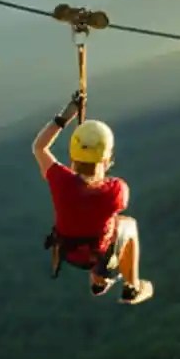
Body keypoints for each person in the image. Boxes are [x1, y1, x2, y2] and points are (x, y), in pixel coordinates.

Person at [32, 91, 154, 305]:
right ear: (107, 159)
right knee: (127, 225)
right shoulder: (116, 189)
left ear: (72, 155)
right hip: (98, 254)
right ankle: (132, 286)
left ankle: (100, 280)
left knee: (99, 224)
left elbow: (39, 147)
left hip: (68, 252)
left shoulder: (61, 181)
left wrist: (67, 114)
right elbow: (106, 204)